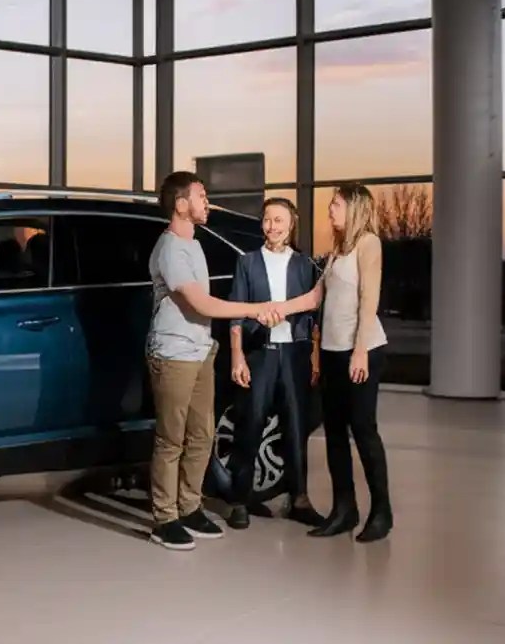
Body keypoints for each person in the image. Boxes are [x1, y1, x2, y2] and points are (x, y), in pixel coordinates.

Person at [146, 171, 281, 551]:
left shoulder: (196, 246)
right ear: (180, 203)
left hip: (201, 350)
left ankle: (190, 508)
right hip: (173, 353)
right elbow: (201, 304)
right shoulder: (171, 248)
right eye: (201, 195)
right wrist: (254, 309)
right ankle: (164, 518)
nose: (207, 202)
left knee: (202, 435)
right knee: (171, 439)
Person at [276, 183, 392, 543]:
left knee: (363, 429)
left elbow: (368, 299)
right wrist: (279, 309)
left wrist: (360, 351)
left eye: (336, 204)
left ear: (355, 207)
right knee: (335, 433)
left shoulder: (368, 243)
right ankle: (345, 510)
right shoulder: (337, 250)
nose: (330, 210)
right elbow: (315, 298)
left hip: (361, 350)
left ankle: (381, 512)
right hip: (331, 350)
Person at [224, 197, 326, 531]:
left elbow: (312, 318)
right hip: (260, 353)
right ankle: (241, 499)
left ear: (291, 223)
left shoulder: (304, 264)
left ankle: (299, 499)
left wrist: (313, 356)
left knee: (296, 427)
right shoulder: (248, 263)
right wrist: (237, 355)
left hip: (295, 354)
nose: (272, 226)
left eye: (279, 220)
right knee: (249, 423)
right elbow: (236, 312)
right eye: (267, 219)